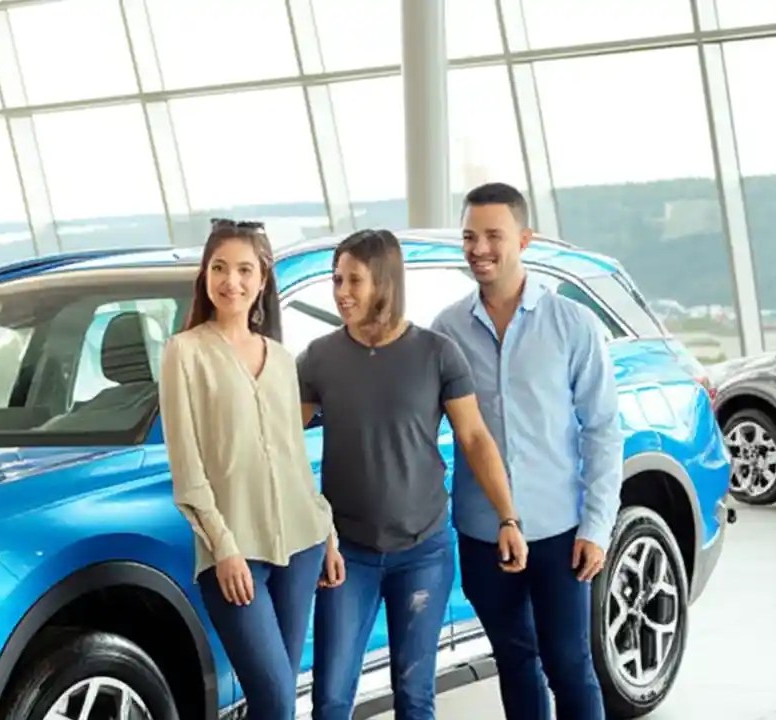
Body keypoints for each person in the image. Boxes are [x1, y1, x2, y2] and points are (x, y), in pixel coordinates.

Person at [299, 229, 527, 720]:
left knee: (415, 695)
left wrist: (508, 518)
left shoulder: (437, 353)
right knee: (332, 699)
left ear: (384, 280)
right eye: (336, 279)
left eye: (354, 280)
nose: (341, 292)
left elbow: (475, 440)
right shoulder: (318, 358)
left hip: (423, 552)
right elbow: (276, 442)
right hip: (346, 556)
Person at [431, 182, 624, 720]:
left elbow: (603, 429)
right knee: (514, 661)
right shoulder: (446, 330)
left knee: (569, 662)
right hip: (480, 530)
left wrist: (596, 527)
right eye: (469, 236)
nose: (479, 248)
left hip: (561, 530)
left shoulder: (572, 324)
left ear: (525, 238)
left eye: (493, 235)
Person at [159, 218, 338, 720]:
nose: (230, 281)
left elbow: (294, 458)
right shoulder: (185, 353)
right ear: (205, 275)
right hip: (234, 552)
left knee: (276, 700)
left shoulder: (280, 359)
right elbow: (187, 466)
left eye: (243, 270)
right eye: (219, 268)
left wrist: (326, 533)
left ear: (262, 281)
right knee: (276, 699)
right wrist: (224, 548)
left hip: (301, 544)